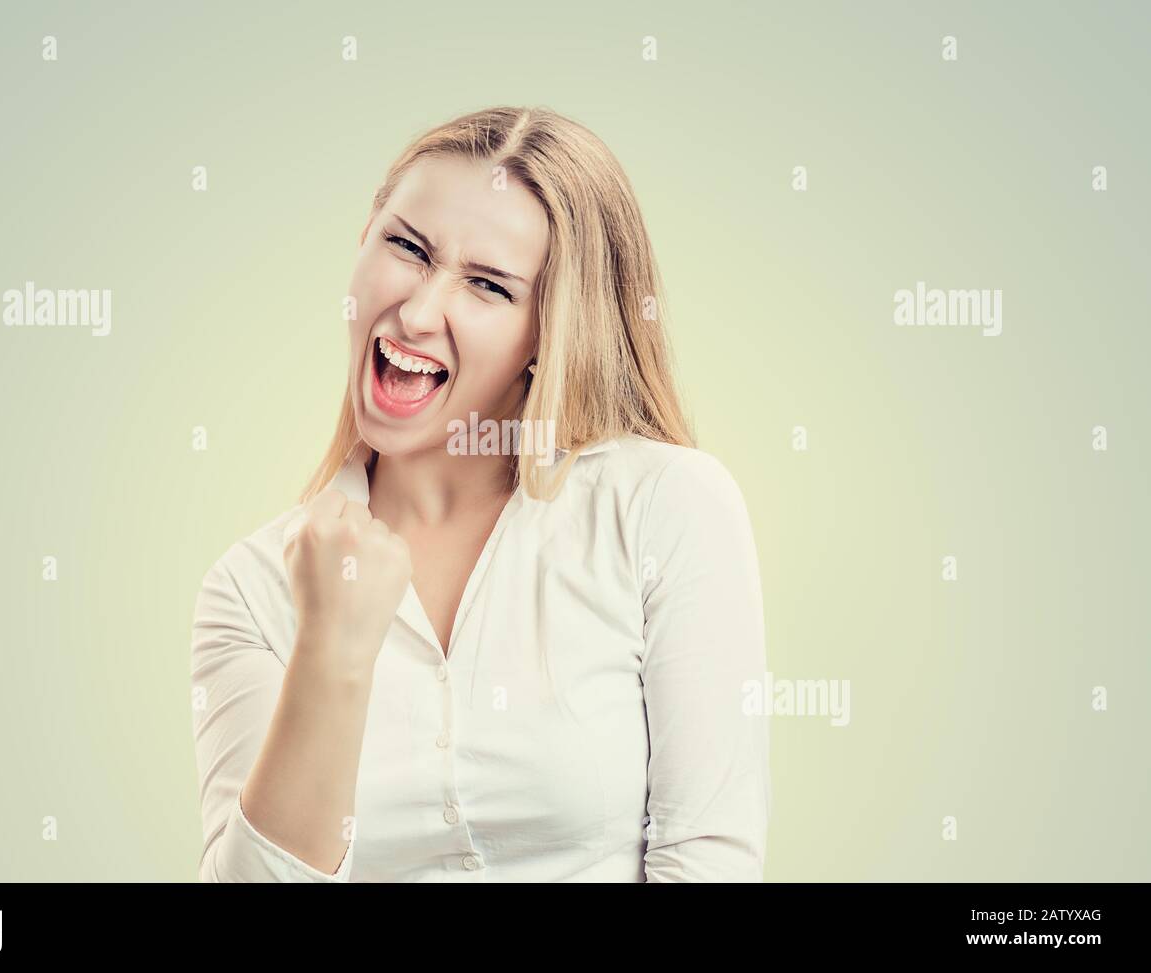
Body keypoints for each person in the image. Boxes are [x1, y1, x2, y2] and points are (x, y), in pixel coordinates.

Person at [190, 105, 770, 882]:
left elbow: (707, 862)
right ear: (364, 240)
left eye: (489, 286)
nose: (420, 311)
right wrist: (331, 646)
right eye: (406, 247)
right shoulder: (252, 589)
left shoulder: (665, 507)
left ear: (550, 332)